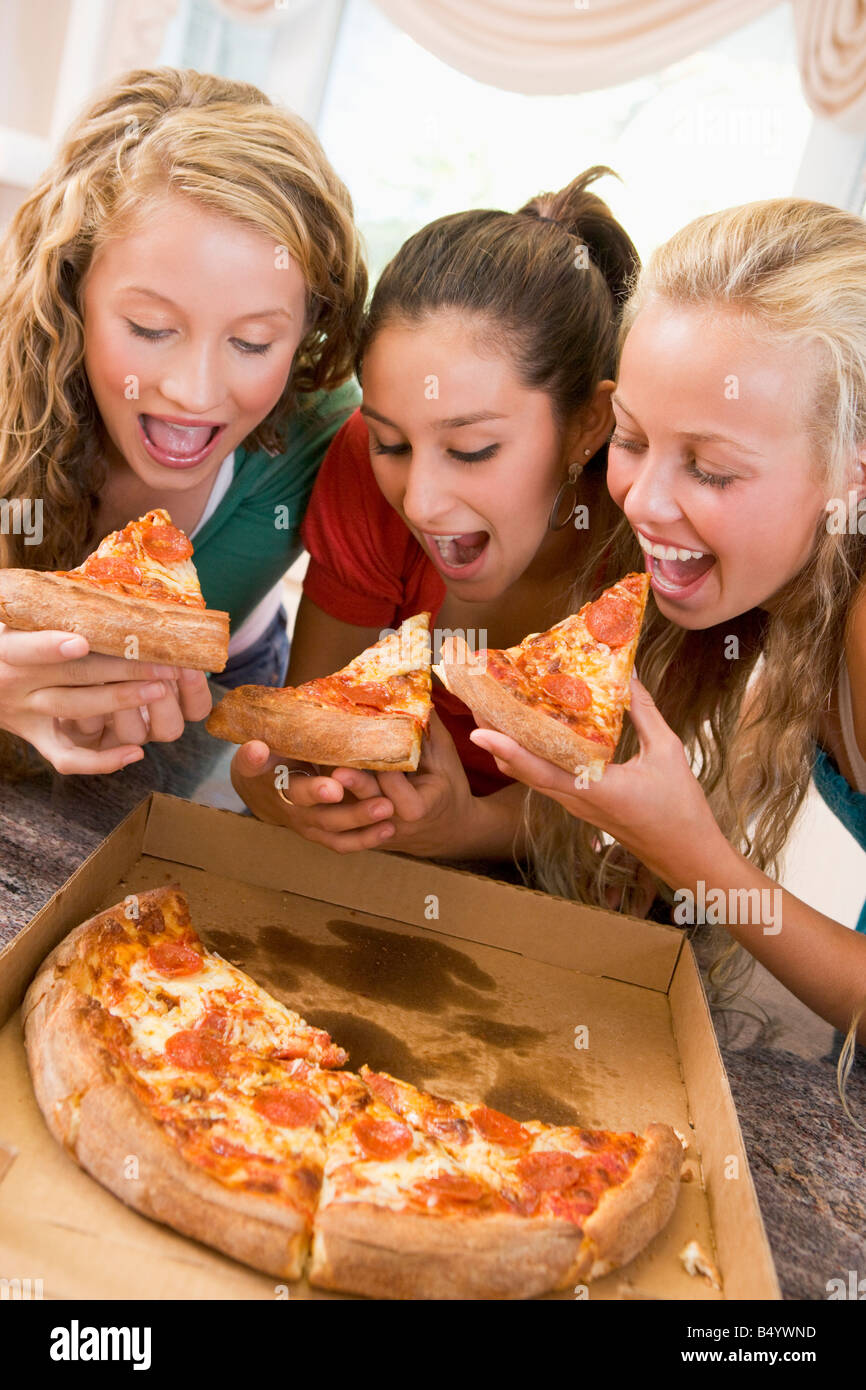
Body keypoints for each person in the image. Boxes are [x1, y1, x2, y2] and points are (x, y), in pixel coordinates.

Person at [470, 196, 866, 1045]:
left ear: (852, 470)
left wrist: (699, 863)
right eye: (632, 439)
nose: (643, 502)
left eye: (713, 471)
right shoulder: (798, 582)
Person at [230, 168, 640, 860]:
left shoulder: (653, 536)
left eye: (472, 449)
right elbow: (306, 738)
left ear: (588, 425)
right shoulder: (361, 464)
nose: (418, 500)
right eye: (393, 442)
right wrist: (287, 795)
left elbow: (623, 815)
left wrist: (465, 829)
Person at [0, 66, 365, 777]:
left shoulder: (326, 438)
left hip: (233, 676)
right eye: (151, 326)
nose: (195, 393)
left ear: (309, 329)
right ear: (69, 291)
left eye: (253, 342)